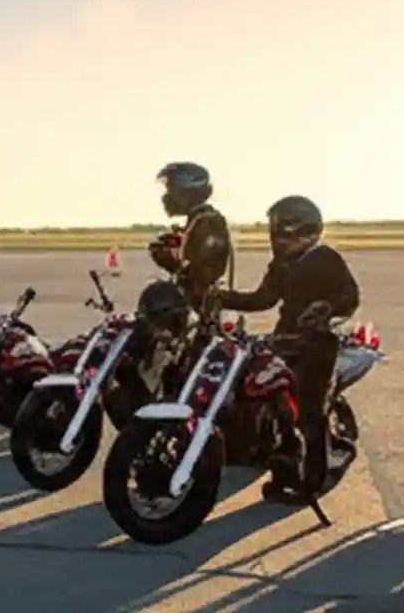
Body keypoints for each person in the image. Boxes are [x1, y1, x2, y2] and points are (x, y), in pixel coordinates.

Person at [219, 195, 361, 499]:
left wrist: (326, 309)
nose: (276, 238)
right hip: (285, 341)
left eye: (281, 231)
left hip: (318, 346)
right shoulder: (282, 265)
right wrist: (221, 298)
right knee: (271, 405)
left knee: (310, 416)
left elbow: (350, 297)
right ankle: (283, 470)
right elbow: (263, 299)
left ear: (303, 231)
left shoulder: (325, 258)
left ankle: (312, 483)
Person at [148, 162, 233, 308]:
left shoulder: (208, 221)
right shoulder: (197, 220)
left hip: (199, 311)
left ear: (187, 193)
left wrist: (169, 259)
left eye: (171, 190)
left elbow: (204, 274)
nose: (167, 197)